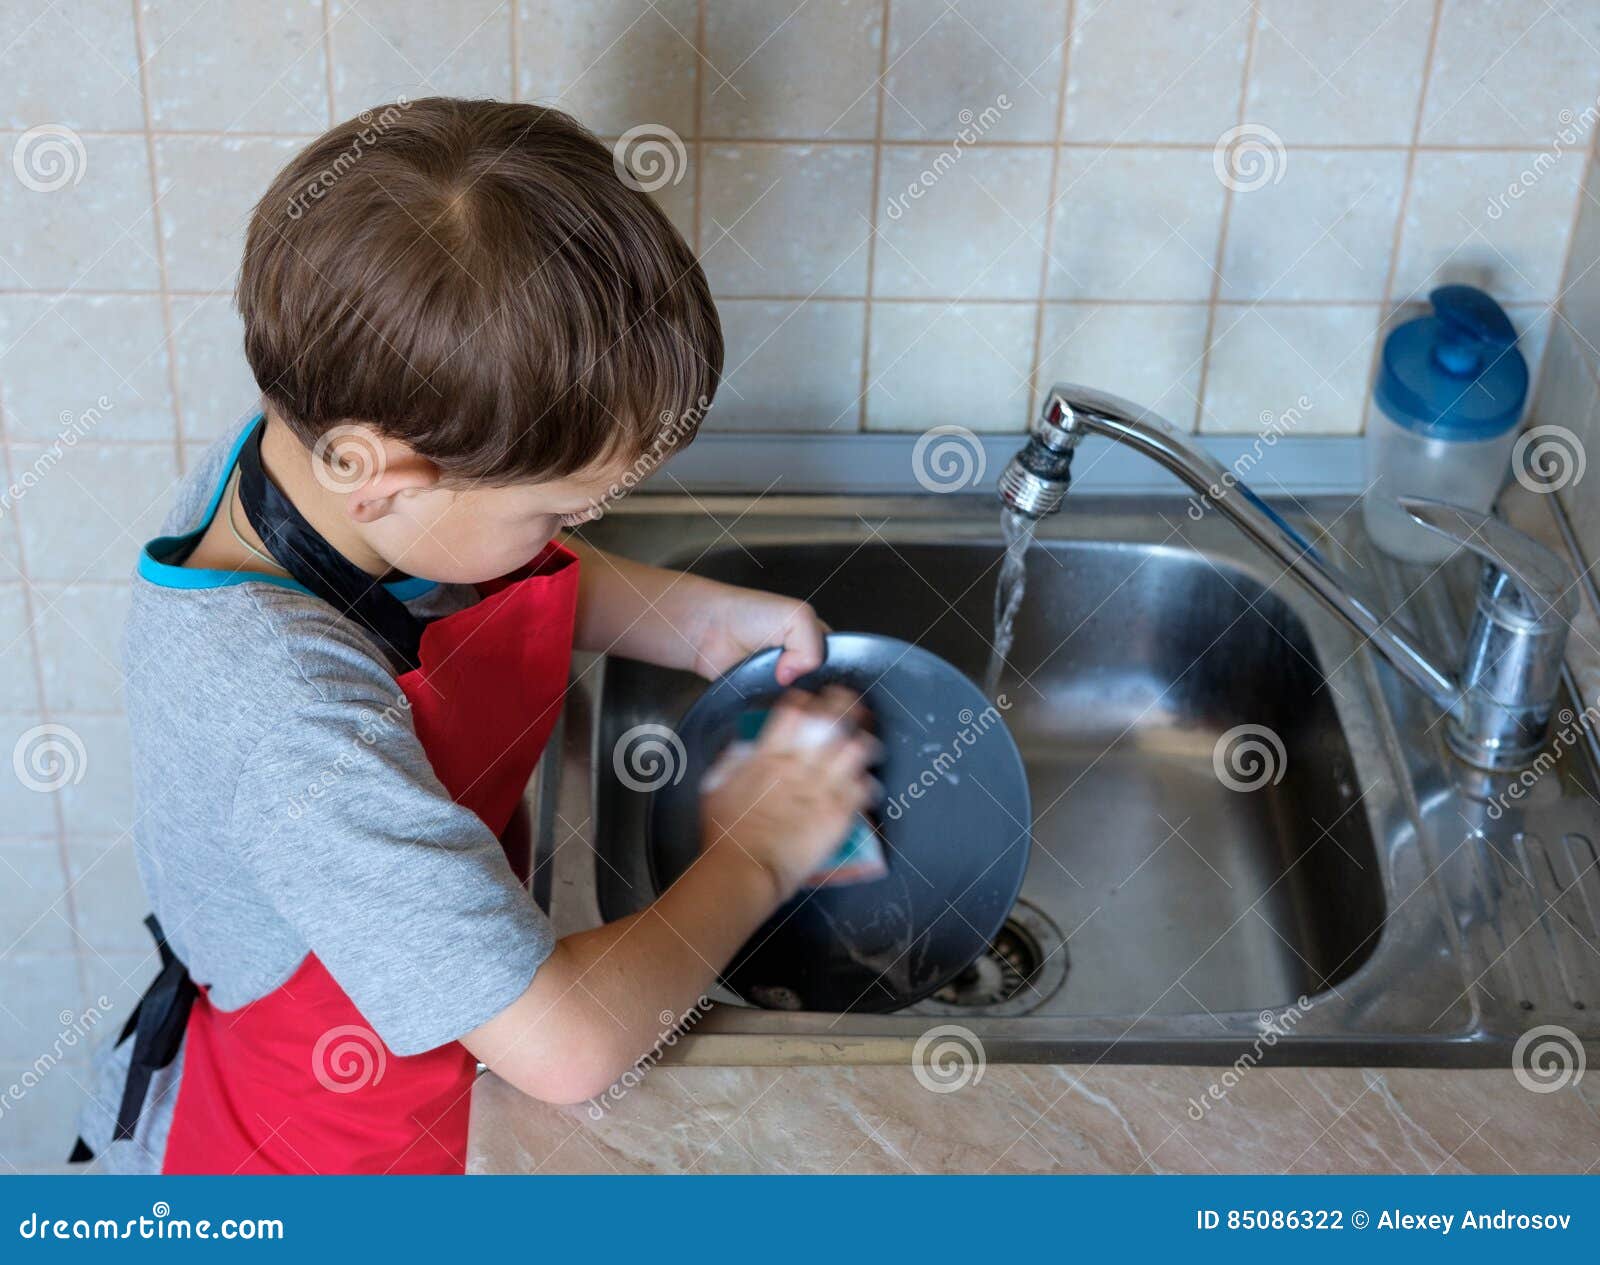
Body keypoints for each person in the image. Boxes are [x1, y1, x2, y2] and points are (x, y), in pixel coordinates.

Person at [74, 97, 877, 1174]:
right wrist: (764, 846)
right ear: (379, 473)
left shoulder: (305, 459)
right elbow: (566, 1045)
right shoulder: (294, 724)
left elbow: (441, 559)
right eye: (554, 513)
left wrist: (686, 619)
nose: (568, 535)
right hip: (330, 1144)